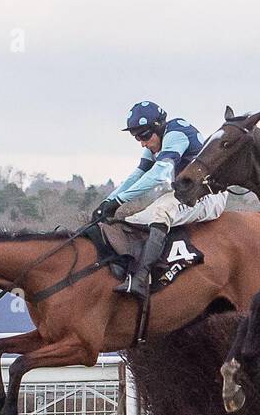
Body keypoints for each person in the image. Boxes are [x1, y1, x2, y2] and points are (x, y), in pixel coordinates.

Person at [91, 101, 226, 300]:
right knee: (133, 220)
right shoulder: (158, 142)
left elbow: (159, 174)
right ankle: (125, 269)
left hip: (209, 195)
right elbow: (136, 175)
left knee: (161, 212)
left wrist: (119, 201)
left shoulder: (176, 134)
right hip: (186, 194)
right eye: (136, 137)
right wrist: (108, 201)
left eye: (144, 135)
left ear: (158, 126)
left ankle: (141, 279)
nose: (142, 142)